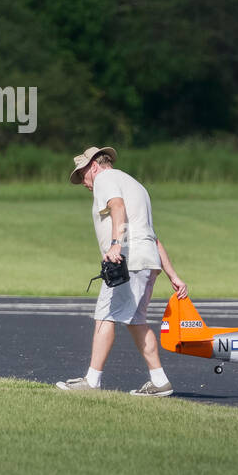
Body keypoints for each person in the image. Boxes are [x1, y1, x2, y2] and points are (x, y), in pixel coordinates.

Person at [55, 145, 188, 396]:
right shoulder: (135, 184)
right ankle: (160, 381)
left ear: (93, 165)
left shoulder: (105, 178)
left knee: (105, 314)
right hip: (148, 261)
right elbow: (152, 235)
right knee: (136, 321)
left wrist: (117, 245)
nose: (83, 182)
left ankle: (92, 381)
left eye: (82, 174)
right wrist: (172, 274)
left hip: (129, 258)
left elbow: (117, 207)